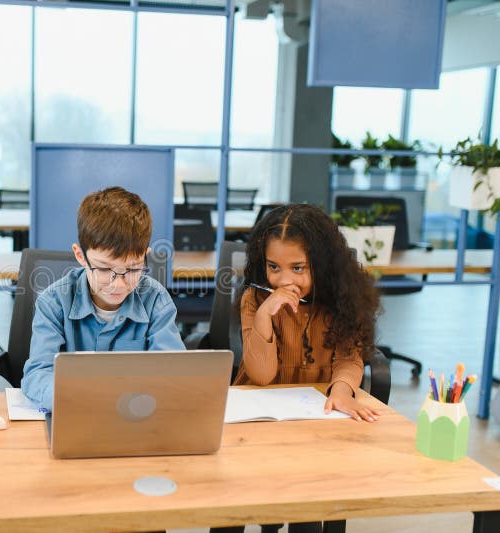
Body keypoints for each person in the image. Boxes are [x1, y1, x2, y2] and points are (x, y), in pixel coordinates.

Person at [215, 203, 382, 533]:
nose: (284, 280)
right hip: (258, 419)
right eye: (273, 267)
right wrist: (265, 316)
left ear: (321, 265)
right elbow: (261, 375)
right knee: (231, 505)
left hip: (312, 416)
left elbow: (349, 357)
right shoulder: (255, 300)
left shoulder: (340, 301)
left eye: (298, 268)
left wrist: (342, 390)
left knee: (307, 506)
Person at [21, 186, 185, 410]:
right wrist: (73, 399)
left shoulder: (156, 301)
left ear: (145, 257)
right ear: (81, 256)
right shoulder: (54, 302)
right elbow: (38, 373)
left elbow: (174, 373)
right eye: (105, 269)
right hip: (76, 413)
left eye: (133, 269)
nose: (118, 284)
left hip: (137, 417)